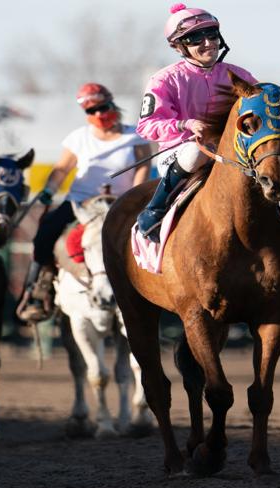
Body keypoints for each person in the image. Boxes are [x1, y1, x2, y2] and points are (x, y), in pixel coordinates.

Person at [134, 3, 260, 240]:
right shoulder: (164, 79)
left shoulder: (240, 76)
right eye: (195, 38)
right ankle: (155, 210)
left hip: (231, 152)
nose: (208, 43)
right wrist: (185, 125)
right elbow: (146, 126)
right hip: (180, 153)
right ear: (177, 46)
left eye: (212, 34)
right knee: (195, 151)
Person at [20, 83, 154, 295]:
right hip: (80, 202)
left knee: (151, 237)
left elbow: (143, 168)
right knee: (46, 232)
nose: (99, 114)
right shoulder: (79, 138)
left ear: (112, 104)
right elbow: (62, 169)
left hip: (120, 204)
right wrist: (49, 190)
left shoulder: (134, 137)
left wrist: (134, 200)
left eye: (103, 107)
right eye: (91, 111)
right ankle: (36, 289)